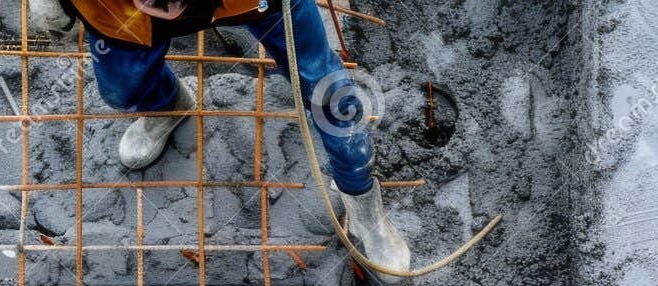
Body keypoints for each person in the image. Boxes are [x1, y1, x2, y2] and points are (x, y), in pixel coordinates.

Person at [58, 0, 409, 268]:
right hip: (118, 12)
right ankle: (169, 105)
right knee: (122, 87)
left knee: (330, 95)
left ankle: (362, 202)